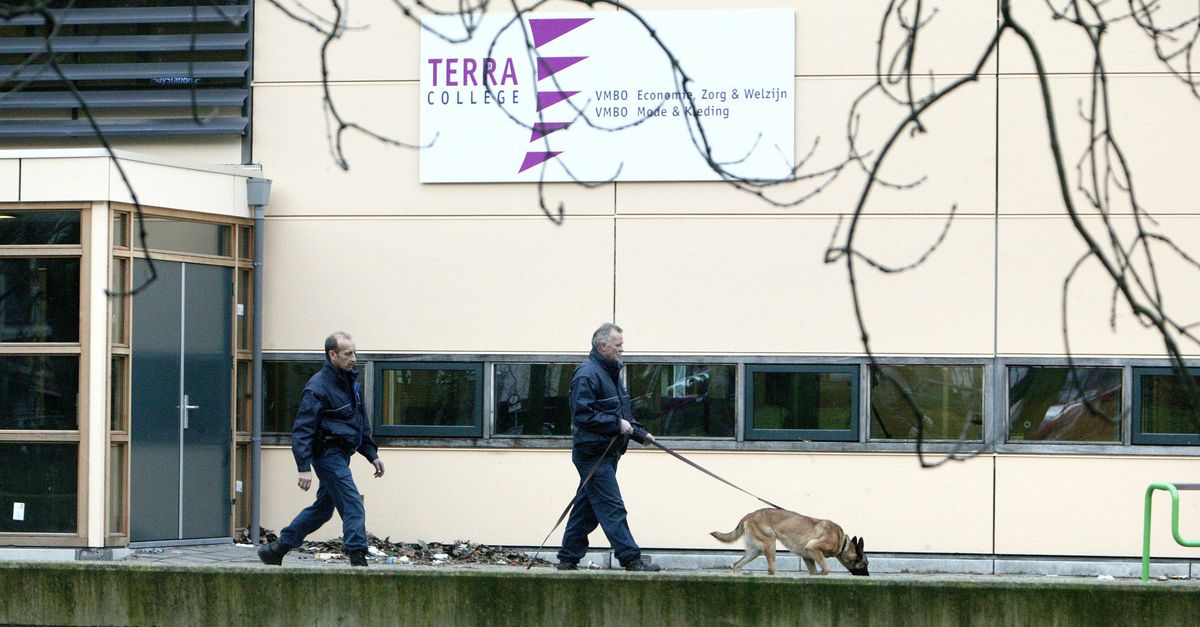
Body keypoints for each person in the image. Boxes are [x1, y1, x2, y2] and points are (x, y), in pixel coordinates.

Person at [258, 332, 385, 567]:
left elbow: (359, 422)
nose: (354, 358)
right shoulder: (317, 387)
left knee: (323, 509)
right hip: (327, 454)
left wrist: (372, 454)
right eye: (348, 354)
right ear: (332, 354)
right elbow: (303, 429)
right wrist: (303, 467)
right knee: (352, 502)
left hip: (342, 454)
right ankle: (358, 558)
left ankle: (276, 550)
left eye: (354, 353)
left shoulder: (349, 383)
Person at [556, 323, 661, 572]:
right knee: (612, 506)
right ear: (603, 346)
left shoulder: (611, 372)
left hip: (609, 451)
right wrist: (617, 424)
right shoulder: (587, 375)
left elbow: (622, 414)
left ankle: (568, 557)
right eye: (618, 345)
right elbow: (583, 416)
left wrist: (641, 434)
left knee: (588, 506)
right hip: (592, 453)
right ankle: (630, 558)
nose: (622, 349)